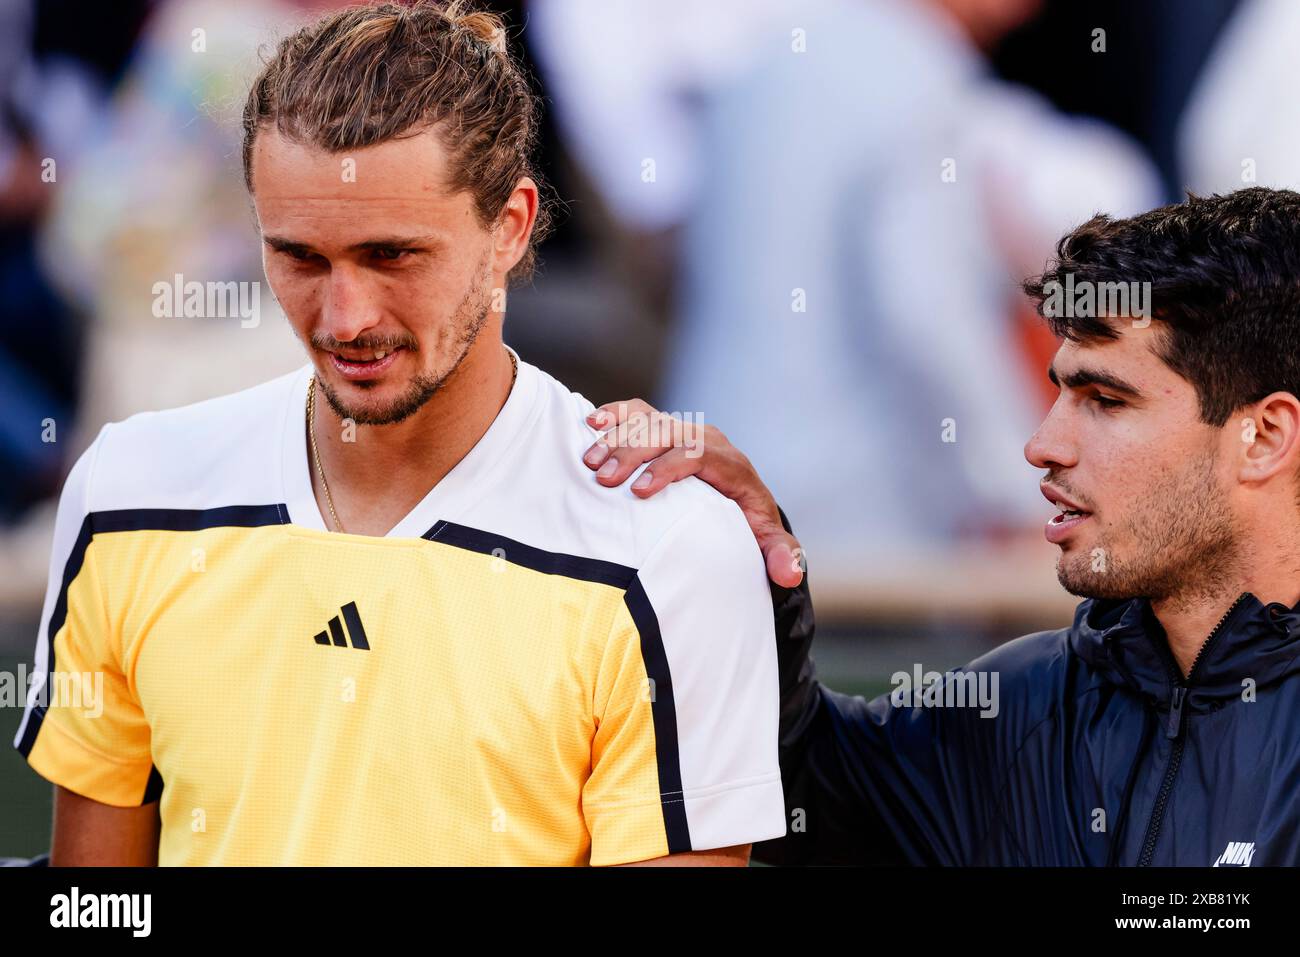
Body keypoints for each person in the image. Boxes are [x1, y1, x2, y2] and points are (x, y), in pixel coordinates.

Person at [12, 1, 783, 867]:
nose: (345, 318)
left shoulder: (672, 546)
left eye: (392, 256)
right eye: (299, 256)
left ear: (512, 227)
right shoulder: (128, 493)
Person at [588, 187, 1300, 865]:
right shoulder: (1020, 712)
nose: (1042, 444)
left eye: (1107, 400)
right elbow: (789, 780)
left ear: (1264, 437)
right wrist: (754, 548)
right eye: (1061, 391)